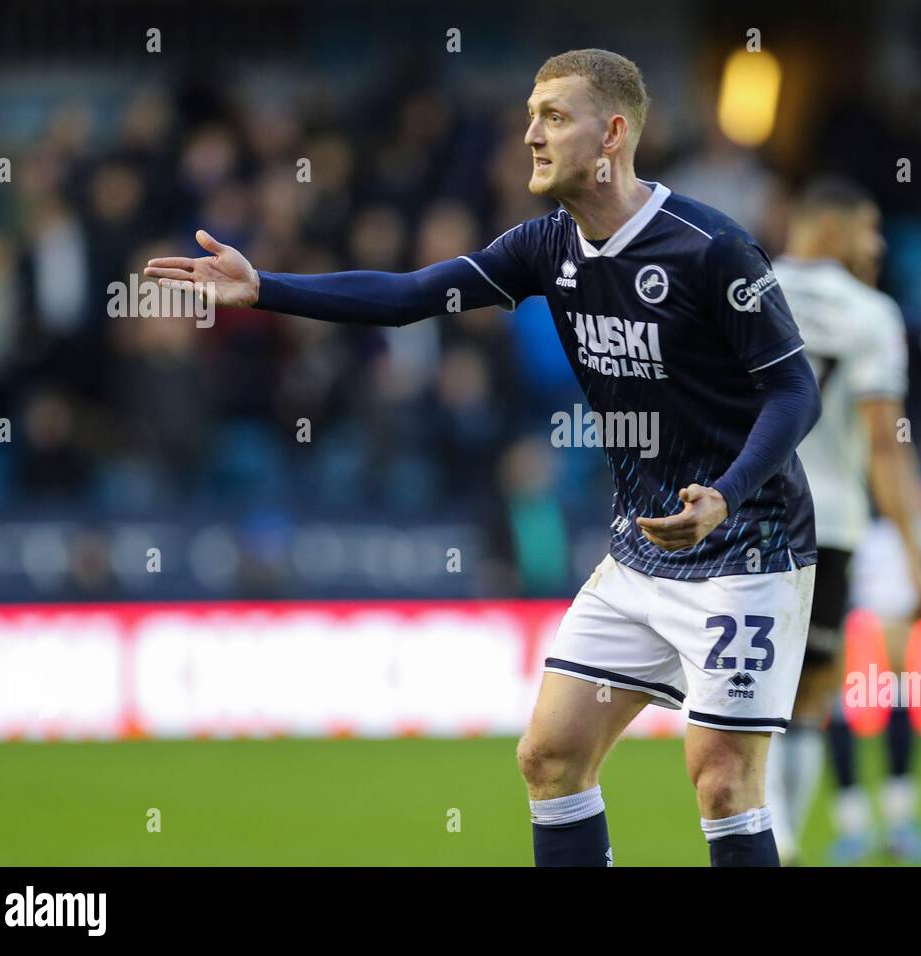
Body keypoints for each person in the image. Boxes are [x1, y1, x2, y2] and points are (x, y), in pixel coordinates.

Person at [145, 49, 820, 867]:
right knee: (549, 756)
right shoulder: (545, 246)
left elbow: (794, 394)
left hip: (747, 551)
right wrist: (267, 289)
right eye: (530, 114)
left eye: (554, 117)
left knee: (722, 783)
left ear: (612, 134)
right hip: (643, 552)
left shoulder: (710, 248)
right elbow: (409, 297)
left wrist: (725, 491)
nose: (530, 134)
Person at [767, 178, 921, 865]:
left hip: (734, 515)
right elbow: (885, 442)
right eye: (869, 229)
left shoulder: (744, 288)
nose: (879, 244)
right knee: (809, 691)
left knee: (748, 688)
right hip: (827, 525)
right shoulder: (871, 313)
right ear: (831, 231)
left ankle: (771, 840)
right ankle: (777, 841)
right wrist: (915, 548)